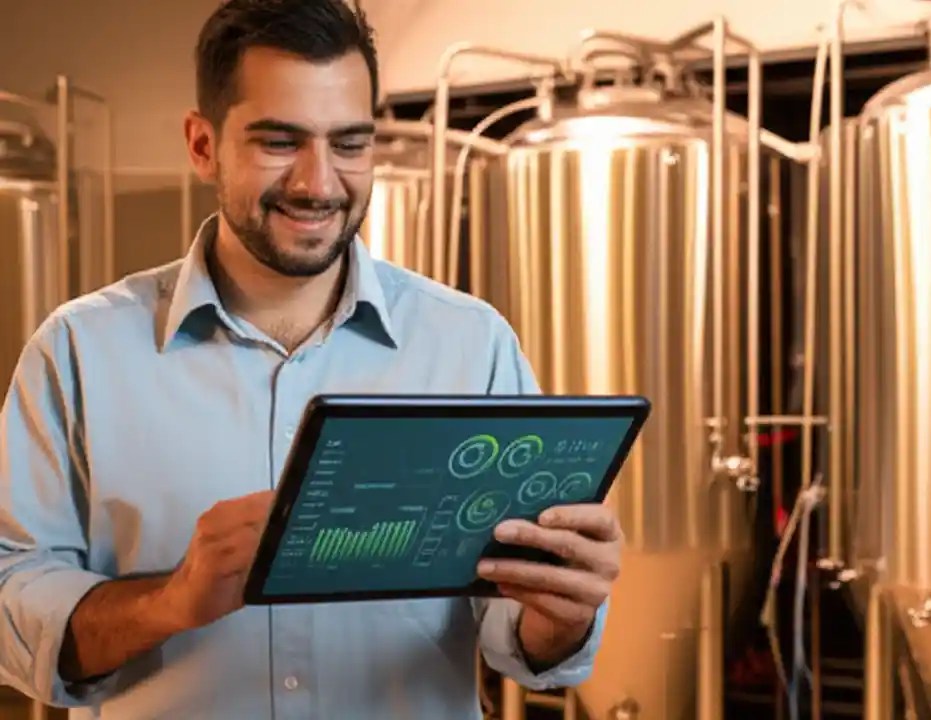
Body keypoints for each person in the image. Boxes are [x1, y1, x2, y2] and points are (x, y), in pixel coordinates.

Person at [0, 1, 622, 717]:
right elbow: (11, 599)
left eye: (349, 144)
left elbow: (512, 627)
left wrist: (560, 612)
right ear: (202, 145)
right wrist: (168, 602)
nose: (319, 183)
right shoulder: (80, 351)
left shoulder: (471, 344)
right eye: (279, 141)